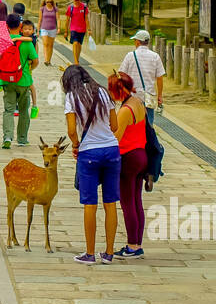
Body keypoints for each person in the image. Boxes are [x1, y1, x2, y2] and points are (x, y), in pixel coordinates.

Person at [62, 65, 120, 264]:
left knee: (90, 204)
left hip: (88, 153)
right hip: (112, 150)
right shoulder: (103, 92)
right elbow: (115, 125)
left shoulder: (72, 97)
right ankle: (109, 252)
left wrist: (76, 144)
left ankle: (89, 252)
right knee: (110, 202)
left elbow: (71, 130)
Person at [108, 72, 148, 258]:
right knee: (136, 201)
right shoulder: (138, 102)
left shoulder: (125, 110)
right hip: (141, 155)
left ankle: (132, 245)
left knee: (127, 203)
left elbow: (116, 137)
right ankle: (137, 242)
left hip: (128, 158)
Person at [0, 13, 38, 149]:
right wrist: (28, 68)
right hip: (23, 80)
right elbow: (36, 60)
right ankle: (22, 138)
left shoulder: (3, 41)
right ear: (20, 26)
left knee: (8, 110)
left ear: (7, 26)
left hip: (7, 80)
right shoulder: (27, 42)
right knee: (23, 110)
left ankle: (7, 137)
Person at [119, 29, 164, 123]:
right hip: (148, 96)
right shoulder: (155, 56)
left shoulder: (130, 55)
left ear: (138, 42)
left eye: (135, 40)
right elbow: (159, 77)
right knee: (148, 124)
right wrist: (159, 95)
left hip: (132, 95)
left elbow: (121, 73)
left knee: (132, 122)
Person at [66, 0, 89, 65]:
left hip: (82, 29)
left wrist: (89, 29)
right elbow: (67, 20)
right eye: (75, 0)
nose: (77, 1)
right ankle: (75, 61)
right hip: (73, 28)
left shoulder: (84, 7)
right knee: (75, 43)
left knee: (79, 44)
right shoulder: (70, 8)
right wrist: (66, 31)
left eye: (78, 0)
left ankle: (77, 59)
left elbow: (86, 19)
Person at [38, 0, 59, 67]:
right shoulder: (42, 9)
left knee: (50, 45)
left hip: (53, 29)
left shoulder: (55, 9)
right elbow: (40, 20)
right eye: (47, 2)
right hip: (44, 28)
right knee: (46, 44)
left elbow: (58, 19)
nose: (49, 3)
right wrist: (38, 30)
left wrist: (59, 28)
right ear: (45, 2)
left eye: (50, 2)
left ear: (52, 2)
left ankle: (49, 60)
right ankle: (46, 60)